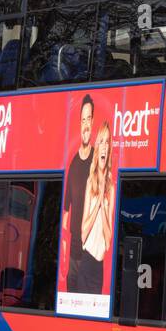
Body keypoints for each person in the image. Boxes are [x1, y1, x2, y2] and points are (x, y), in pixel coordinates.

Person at [73, 123, 114, 294]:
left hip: (99, 266)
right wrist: (98, 203)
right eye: (101, 142)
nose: (104, 147)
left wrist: (103, 205)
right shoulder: (90, 182)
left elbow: (108, 238)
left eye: (107, 142)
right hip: (87, 261)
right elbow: (83, 233)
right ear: (97, 147)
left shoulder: (111, 187)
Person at [63, 95, 96, 291]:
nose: (85, 124)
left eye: (89, 118)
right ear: (79, 123)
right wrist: (65, 248)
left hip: (90, 253)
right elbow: (66, 209)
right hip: (73, 255)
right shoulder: (73, 163)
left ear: (93, 121)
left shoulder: (97, 161)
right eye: (82, 119)